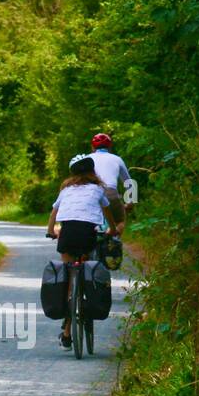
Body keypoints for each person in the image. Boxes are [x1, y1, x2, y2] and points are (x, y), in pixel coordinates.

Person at [45, 153, 124, 349]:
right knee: (86, 263)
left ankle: (66, 328)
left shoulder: (66, 190)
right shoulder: (98, 190)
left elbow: (54, 212)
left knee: (67, 272)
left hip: (67, 233)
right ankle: (85, 299)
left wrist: (51, 232)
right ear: (92, 171)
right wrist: (112, 230)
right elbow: (108, 214)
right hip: (88, 234)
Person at [89, 132, 133, 220]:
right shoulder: (117, 159)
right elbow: (128, 182)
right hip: (110, 193)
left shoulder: (86, 158)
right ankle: (115, 232)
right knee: (120, 221)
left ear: (92, 147)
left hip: (90, 194)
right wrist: (131, 202)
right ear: (109, 147)